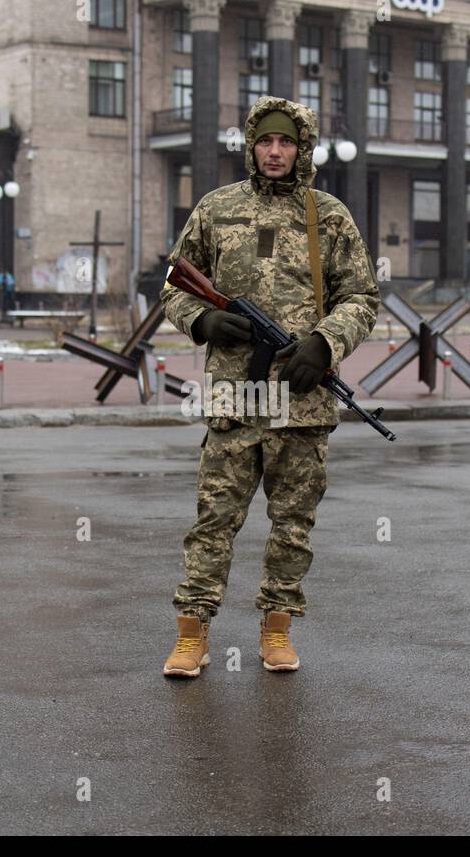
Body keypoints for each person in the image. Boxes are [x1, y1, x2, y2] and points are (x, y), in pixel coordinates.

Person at [158, 96, 378, 676]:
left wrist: (325, 343)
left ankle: (277, 629)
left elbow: (363, 297)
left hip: (302, 399)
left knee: (292, 524)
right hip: (236, 394)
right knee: (214, 519)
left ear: (302, 150)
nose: (275, 152)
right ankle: (191, 633)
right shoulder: (216, 208)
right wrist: (202, 321)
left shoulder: (326, 215)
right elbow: (174, 284)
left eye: (286, 143)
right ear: (252, 147)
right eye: (265, 142)